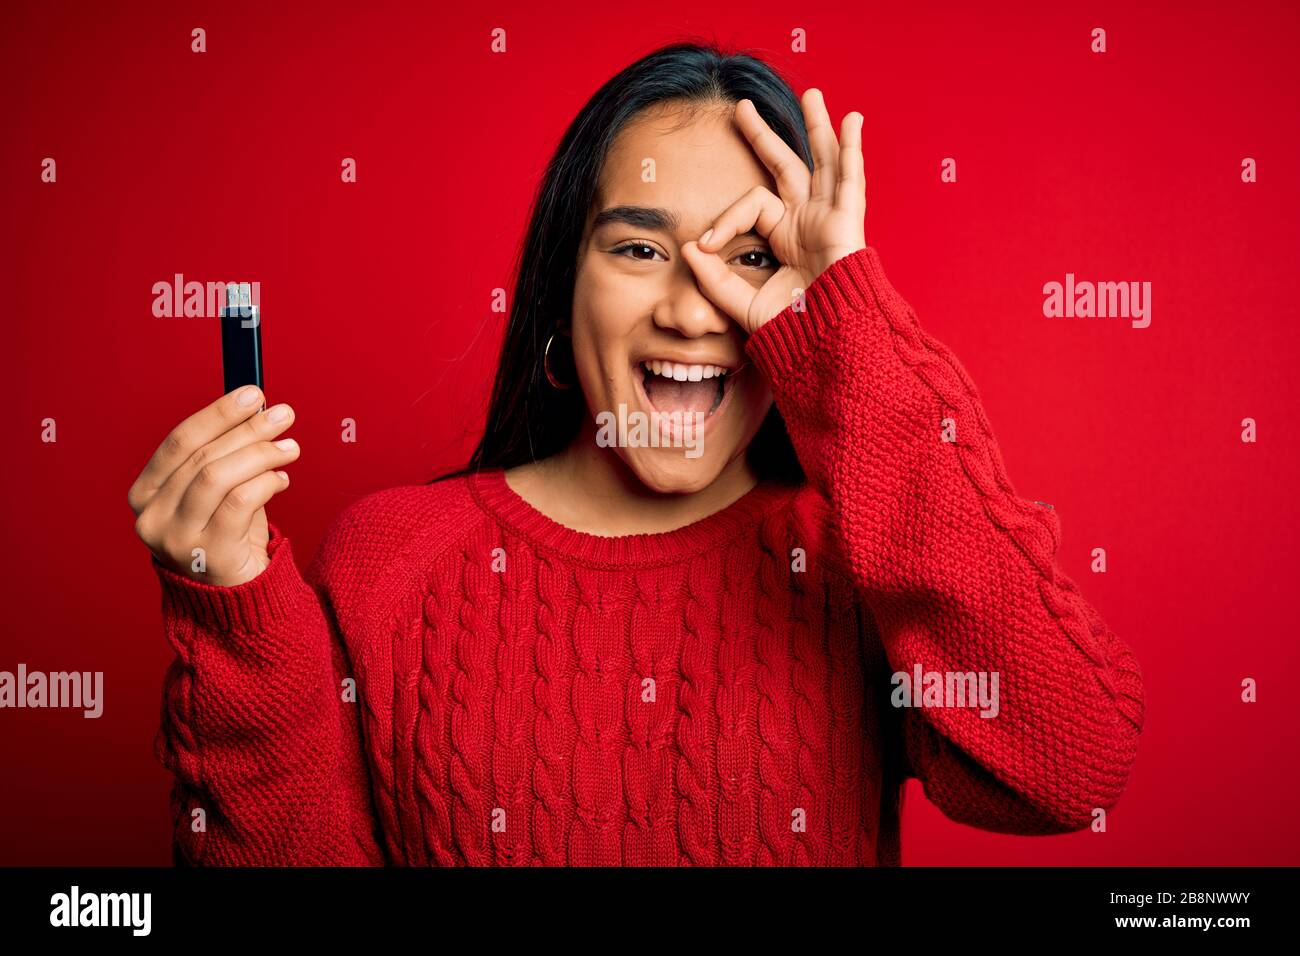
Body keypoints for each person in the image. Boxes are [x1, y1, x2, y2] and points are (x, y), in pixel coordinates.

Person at [128, 41, 1144, 866]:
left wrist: (850, 333)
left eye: (748, 256)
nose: (692, 308)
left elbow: (1066, 768)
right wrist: (237, 613)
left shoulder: (850, 562)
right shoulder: (390, 558)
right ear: (560, 287)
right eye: (639, 248)